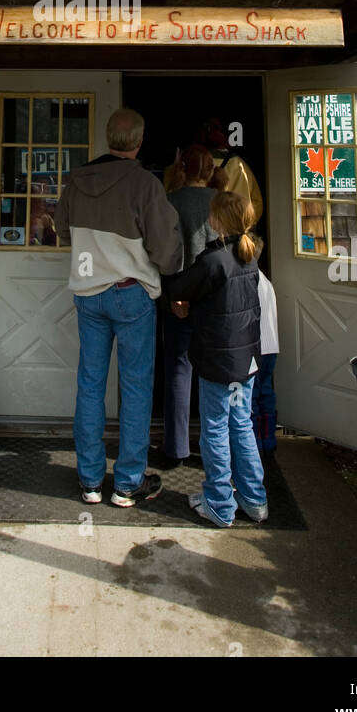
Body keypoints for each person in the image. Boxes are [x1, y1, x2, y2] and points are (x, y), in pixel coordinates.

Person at [55, 108, 183, 508]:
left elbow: (61, 230)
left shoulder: (76, 181)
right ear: (139, 142)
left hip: (88, 294)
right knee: (136, 387)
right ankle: (127, 483)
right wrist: (175, 269)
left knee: (90, 385)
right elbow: (166, 251)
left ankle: (90, 481)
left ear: (107, 138)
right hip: (131, 296)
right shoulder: (146, 184)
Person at [161, 191, 268, 527]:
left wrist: (180, 301)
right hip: (246, 359)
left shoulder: (213, 260)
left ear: (218, 220)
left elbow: (179, 289)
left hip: (218, 362)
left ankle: (220, 504)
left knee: (215, 430)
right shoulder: (249, 256)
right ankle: (254, 500)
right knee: (242, 425)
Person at [153, 144, 228, 470]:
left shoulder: (170, 201)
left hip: (178, 299)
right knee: (215, 374)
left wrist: (171, 297)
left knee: (178, 371)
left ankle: (175, 448)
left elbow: (163, 255)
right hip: (214, 301)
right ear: (210, 171)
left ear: (182, 168)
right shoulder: (221, 204)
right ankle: (214, 452)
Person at [163, 116, 264, 225]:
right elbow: (256, 207)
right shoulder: (239, 165)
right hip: (231, 230)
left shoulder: (178, 168)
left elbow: (165, 205)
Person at [251, 268, 279, 453]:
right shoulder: (267, 282)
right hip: (271, 347)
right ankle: (268, 438)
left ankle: (253, 441)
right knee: (266, 392)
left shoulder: (250, 281)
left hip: (256, 347)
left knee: (252, 395)